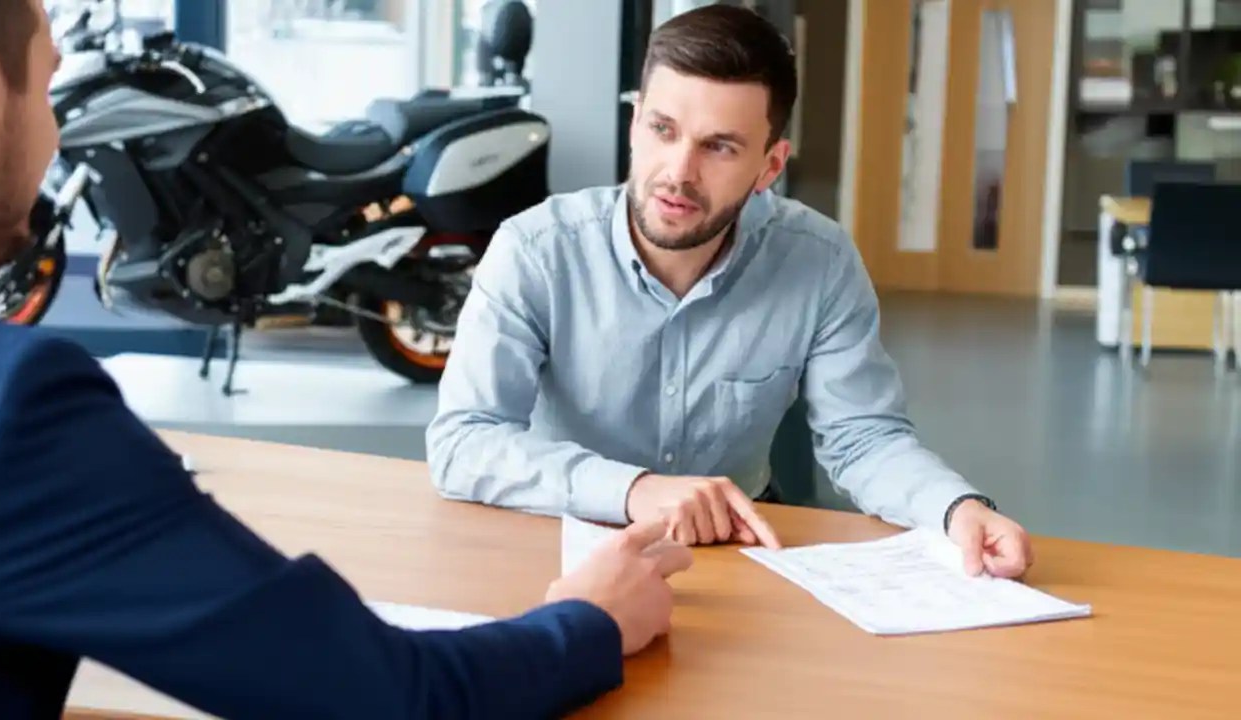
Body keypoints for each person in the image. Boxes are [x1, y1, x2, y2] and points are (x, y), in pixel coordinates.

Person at [0, 2, 692, 718]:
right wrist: (589, 615)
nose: (54, 133)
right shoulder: (15, 410)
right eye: (45, 86)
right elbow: (399, 698)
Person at [428, 5, 1034, 579]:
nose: (678, 172)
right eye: (663, 130)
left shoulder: (818, 261)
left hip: (734, 553)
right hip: (563, 540)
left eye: (719, 147)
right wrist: (635, 490)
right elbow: (463, 442)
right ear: (636, 123)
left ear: (770, 166)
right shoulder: (536, 249)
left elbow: (864, 438)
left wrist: (956, 508)